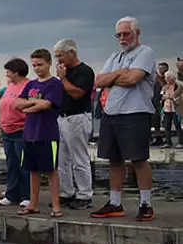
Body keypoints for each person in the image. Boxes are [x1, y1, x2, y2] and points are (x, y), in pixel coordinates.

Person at [91, 16, 156, 222]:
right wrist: (120, 73)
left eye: (126, 34)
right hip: (112, 114)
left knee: (138, 159)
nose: (122, 38)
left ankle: (146, 204)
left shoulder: (145, 53)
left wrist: (114, 77)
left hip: (135, 112)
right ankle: (115, 202)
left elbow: (133, 78)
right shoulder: (115, 57)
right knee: (114, 160)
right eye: (118, 35)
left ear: (137, 33)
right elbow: (99, 81)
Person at [13, 49, 63, 217]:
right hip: (29, 134)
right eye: (34, 65)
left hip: (47, 134)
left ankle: (56, 205)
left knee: (51, 170)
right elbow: (17, 104)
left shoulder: (54, 84)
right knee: (32, 169)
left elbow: (46, 105)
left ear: (49, 63)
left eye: (40, 65)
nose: (37, 68)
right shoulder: (31, 84)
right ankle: (33, 203)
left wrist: (29, 105)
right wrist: (33, 103)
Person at [52, 39, 95, 209]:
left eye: (61, 56)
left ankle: (85, 194)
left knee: (79, 158)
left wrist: (62, 79)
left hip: (77, 116)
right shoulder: (64, 72)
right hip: (62, 117)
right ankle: (66, 192)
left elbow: (78, 93)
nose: (59, 60)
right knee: (62, 159)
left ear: (72, 53)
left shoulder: (84, 71)